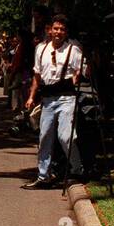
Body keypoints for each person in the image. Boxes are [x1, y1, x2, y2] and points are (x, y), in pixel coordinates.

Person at [23, 14, 86, 188]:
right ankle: (44, 175)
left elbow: (78, 72)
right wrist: (31, 96)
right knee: (45, 137)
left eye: (62, 29)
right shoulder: (41, 49)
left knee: (66, 137)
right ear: (50, 30)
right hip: (48, 99)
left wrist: (75, 80)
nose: (58, 32)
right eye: (56, 28)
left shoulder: (73, 49)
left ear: (66, 32)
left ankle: (77, 170)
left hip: (66, 98)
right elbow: (37, 75)